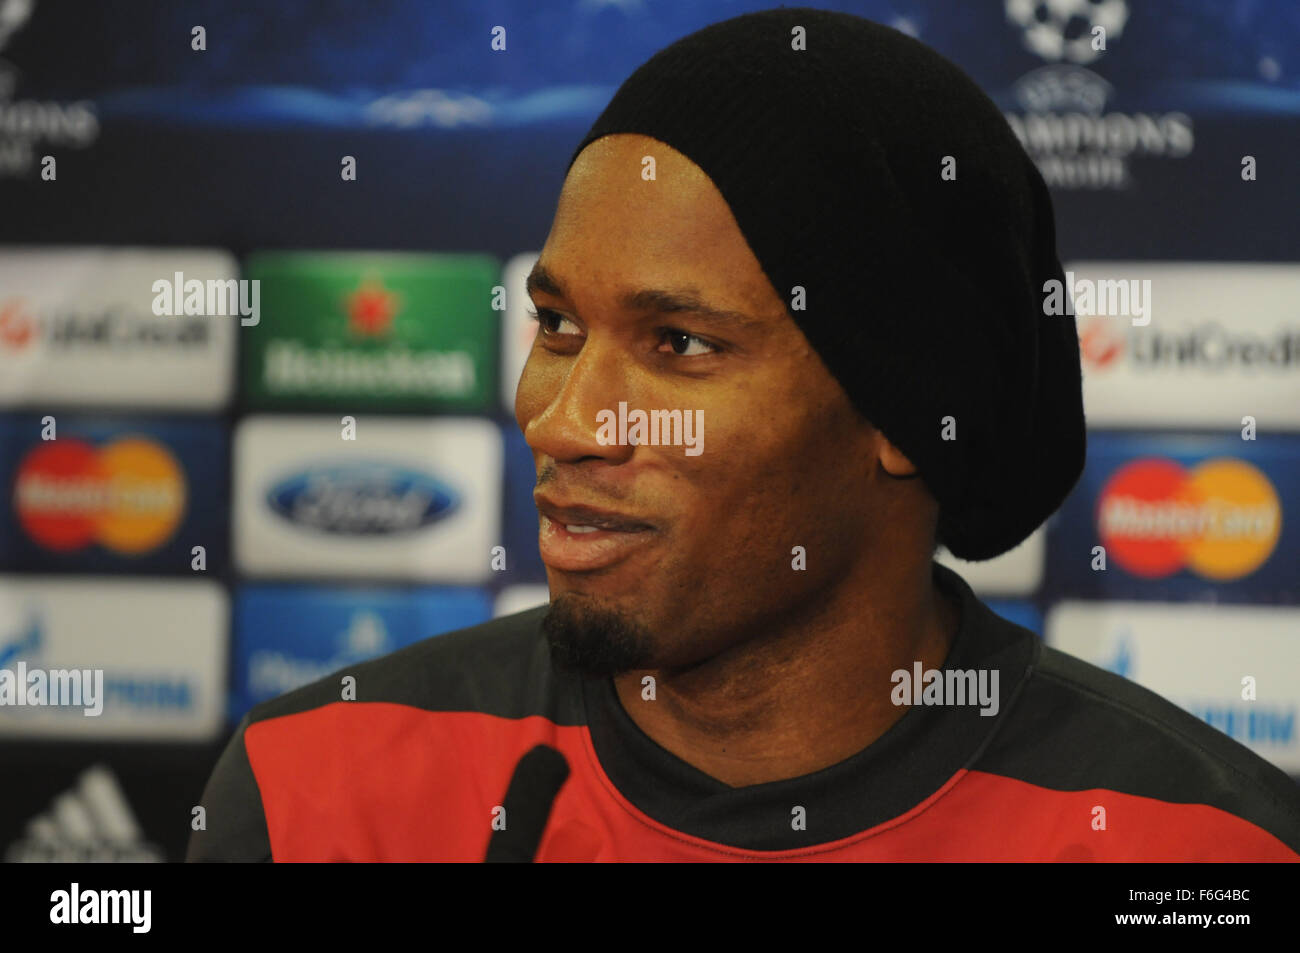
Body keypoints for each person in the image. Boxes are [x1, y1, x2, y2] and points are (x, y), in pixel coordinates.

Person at [188, 7, 1300, 862]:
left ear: (905, 415)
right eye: (558, 324)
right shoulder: (320, 793)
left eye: (679, 344)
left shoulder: (1192, 849)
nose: (566, 419)